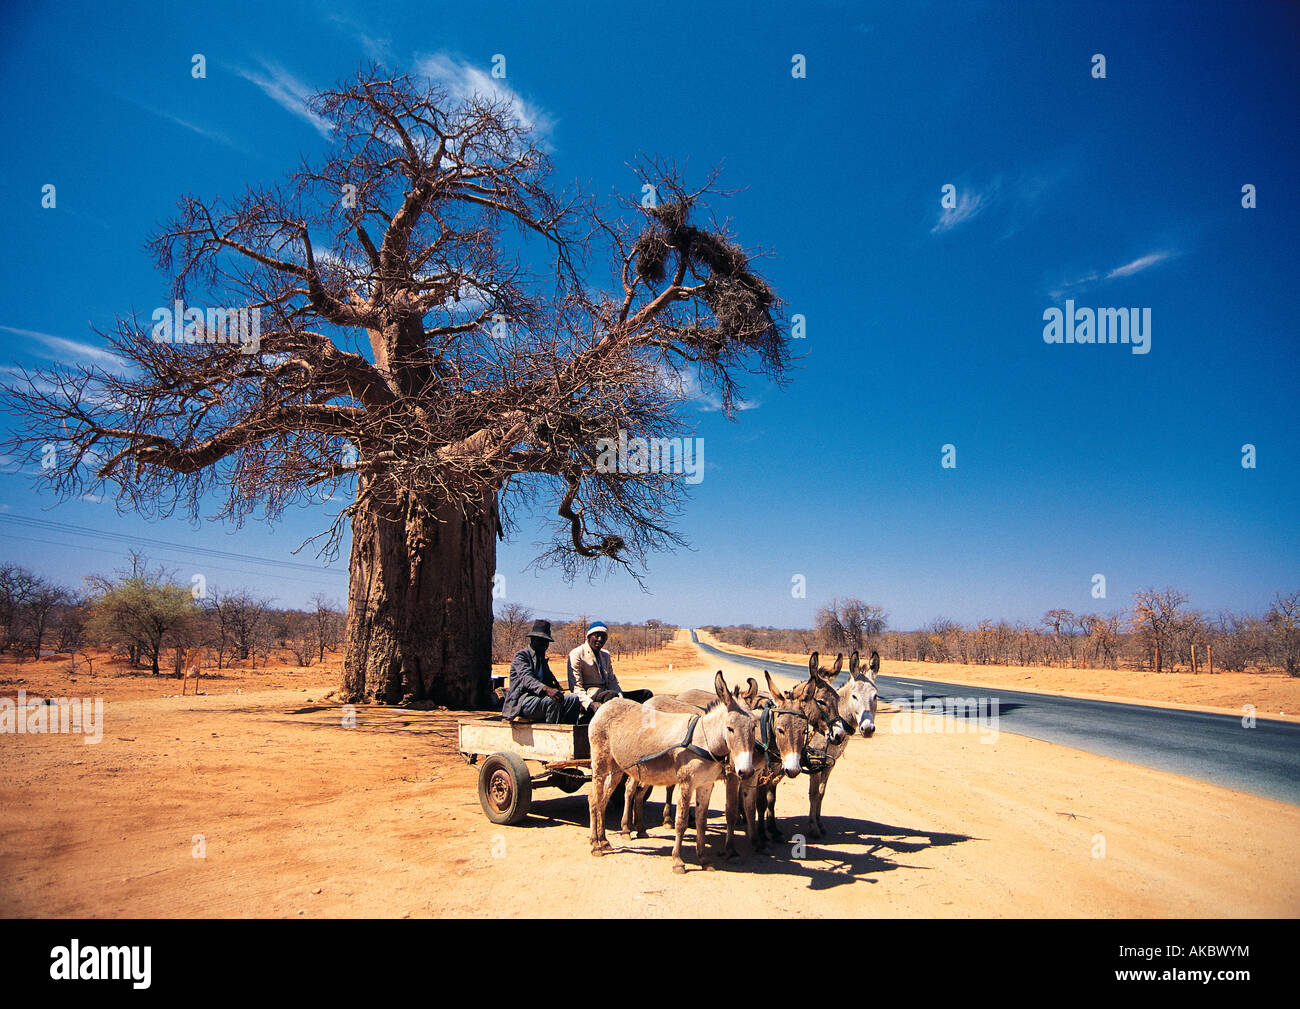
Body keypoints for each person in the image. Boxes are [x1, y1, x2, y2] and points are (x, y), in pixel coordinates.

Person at [501, 619, 586, 724]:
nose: (544, 644)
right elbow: (527, 679)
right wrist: (547, 690)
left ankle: (570, 732)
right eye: (541, 640)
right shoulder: (522, 656)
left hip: (539, 699)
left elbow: (550, 680)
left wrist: (556, 688)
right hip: (522, 701)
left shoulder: (541, 659)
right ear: (532, 640)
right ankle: (552, 733)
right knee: (553, 701)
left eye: (546, 642)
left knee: (573, 699)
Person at [567, 621, 653, 715]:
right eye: (596, 636)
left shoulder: (605, 655)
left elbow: (612, 681)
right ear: (588, 637)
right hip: (590, 697)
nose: (599, 639)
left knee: (646, 694)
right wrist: (589, 703)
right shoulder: (577, 654)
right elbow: (576, 687)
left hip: (610, 694)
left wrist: (621, 697)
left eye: (603, 637)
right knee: (611, 695)